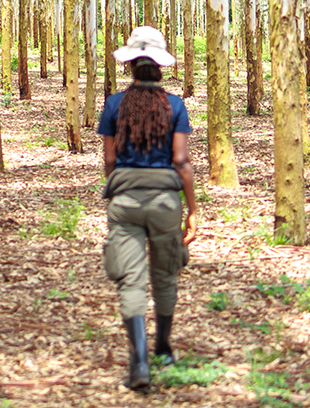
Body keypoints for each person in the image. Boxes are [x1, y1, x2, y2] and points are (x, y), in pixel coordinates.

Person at [98, 25, 200, 392]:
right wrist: (192, 209)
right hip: (164, 201)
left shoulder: (114, 105)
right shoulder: (174, 106)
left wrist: (117, 191)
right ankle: (164, 348)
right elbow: (181, 161)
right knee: (166, 274)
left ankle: (139, 361)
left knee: (130, 278)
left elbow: (109, 160)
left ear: (130, 66)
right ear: (160, 67)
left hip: (124, 199)